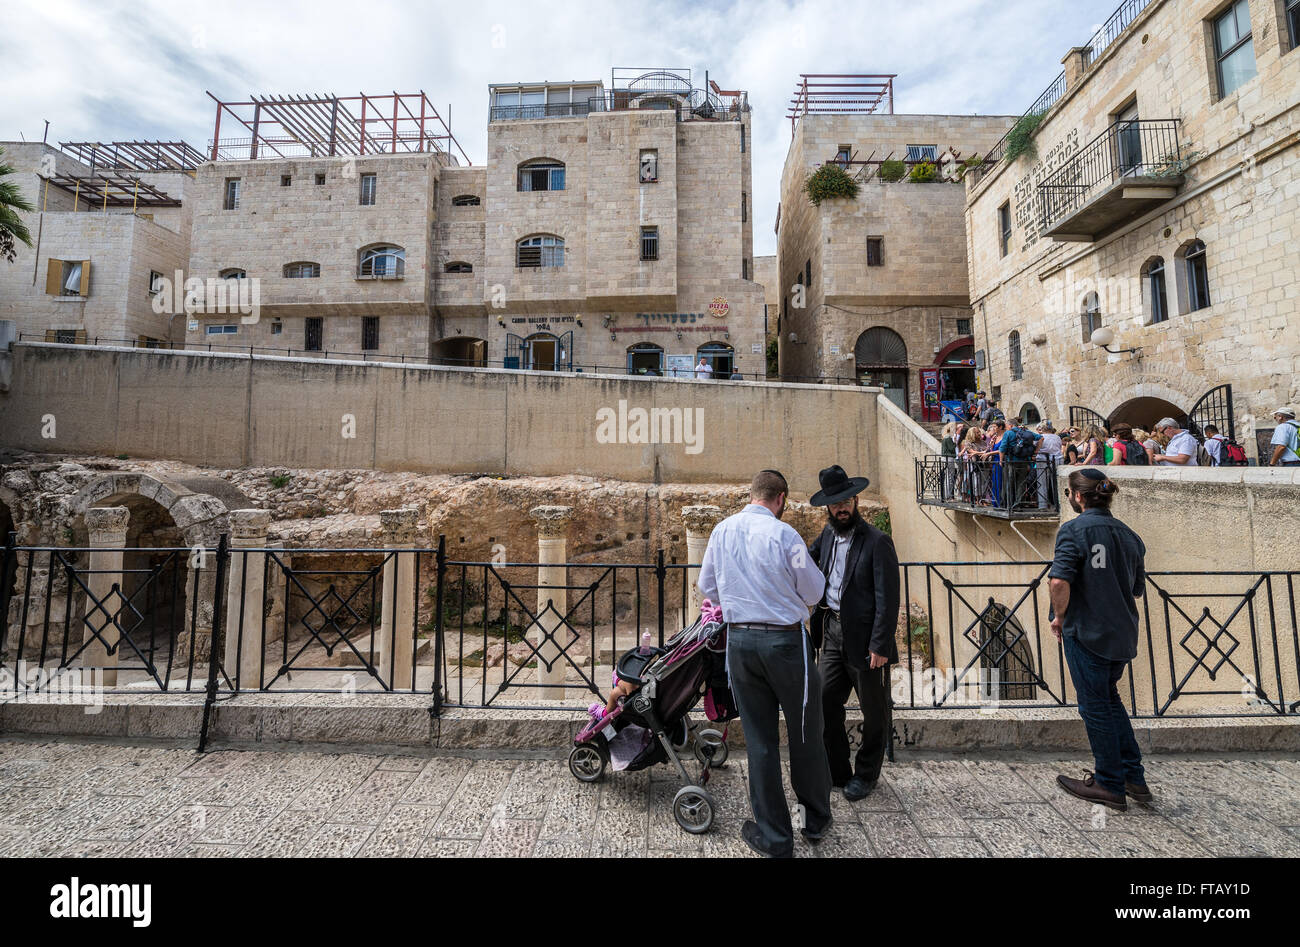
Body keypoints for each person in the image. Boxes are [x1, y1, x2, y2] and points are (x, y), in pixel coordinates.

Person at [697, 469, 831, 857]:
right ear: (782, 499)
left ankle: (774, 838)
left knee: (760, 742)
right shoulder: (784, 534)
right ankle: (815, 820)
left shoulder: (722, 531)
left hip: (740, 643)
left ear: (751, 494)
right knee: (805, 731)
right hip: (785, 643)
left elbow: (708, 587)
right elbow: (814, 589)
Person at [1050, 469, 1150, 811]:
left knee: (1094, 707)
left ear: (1078, 497)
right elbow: (1137, 588)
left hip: (1087, 631)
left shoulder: (1073, 530)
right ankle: (1132, 776)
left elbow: (1059, 581)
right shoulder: (1131, 536)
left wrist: (1059, 617)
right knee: (1109, 700)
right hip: (1122, 633)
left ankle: (1109, 782)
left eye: (1069, 494)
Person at [808, 466, 900, 802]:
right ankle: (838, 769)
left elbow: (888, 599)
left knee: (874, 711)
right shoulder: (829, 535)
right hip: (831, 632)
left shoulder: (878, 542)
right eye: (834, 504)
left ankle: (866, 775)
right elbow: (806, 560)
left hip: (865, 641)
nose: (841, 508)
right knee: (824, 702)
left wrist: (880, 643)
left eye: (845, 501)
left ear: (855, 499)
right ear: (828, 508)